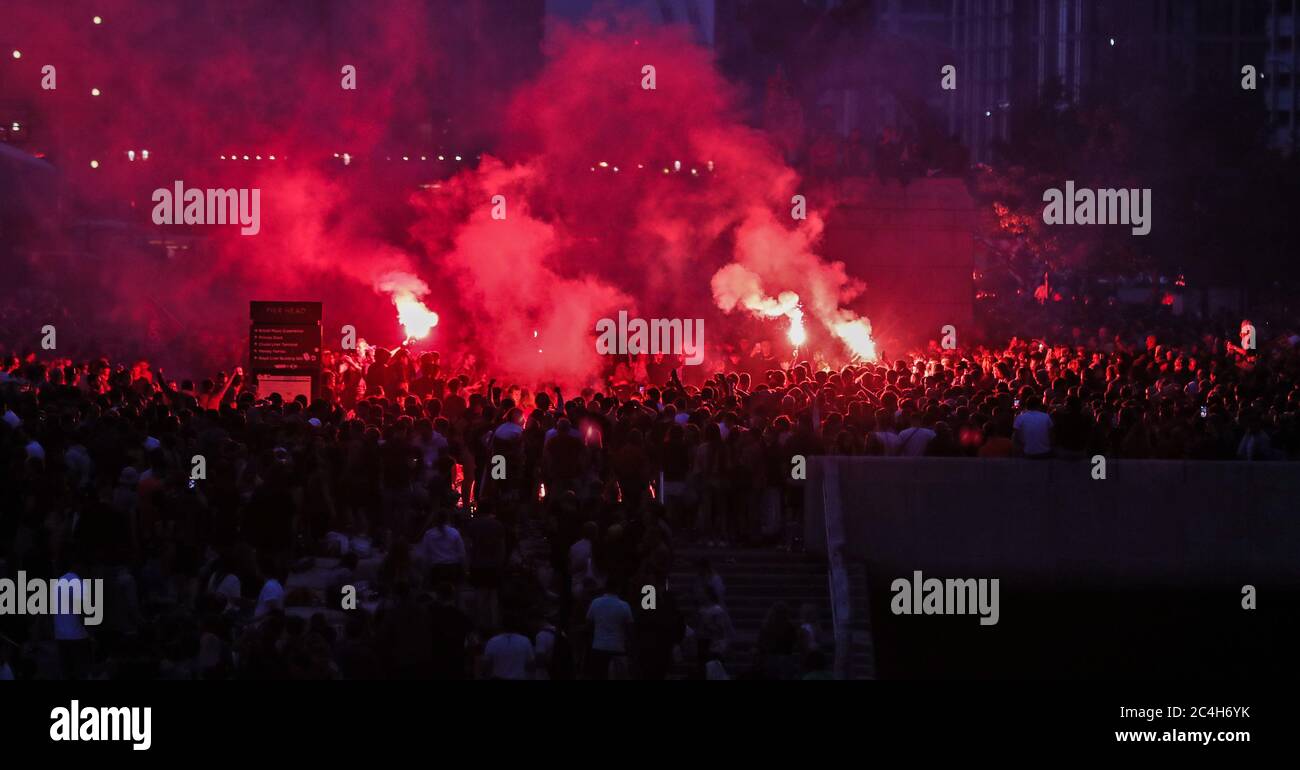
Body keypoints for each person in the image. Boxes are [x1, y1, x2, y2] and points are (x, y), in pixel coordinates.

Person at [584, 579, 633, 680]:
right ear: (618, 589)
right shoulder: (624, 605)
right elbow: (630, 629)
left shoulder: (595, 603)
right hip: (618, 648)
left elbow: (588, 624)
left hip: (598, 646)